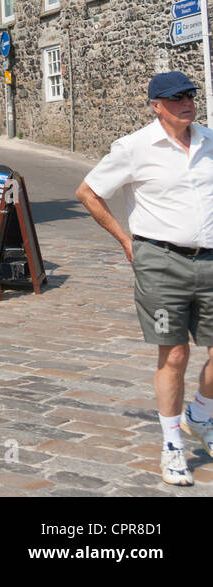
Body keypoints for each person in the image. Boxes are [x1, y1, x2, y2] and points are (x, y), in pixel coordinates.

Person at [75, 71, 213, 486]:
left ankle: (201, 412)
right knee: (173, 354)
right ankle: (172, 445)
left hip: (211, 259)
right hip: (161, 261)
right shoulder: (134, 147)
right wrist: (125, 241)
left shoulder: (209, 140)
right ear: (156, 106)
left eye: (190, 95)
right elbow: (88, 192)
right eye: (175, 98)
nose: (186, 103)